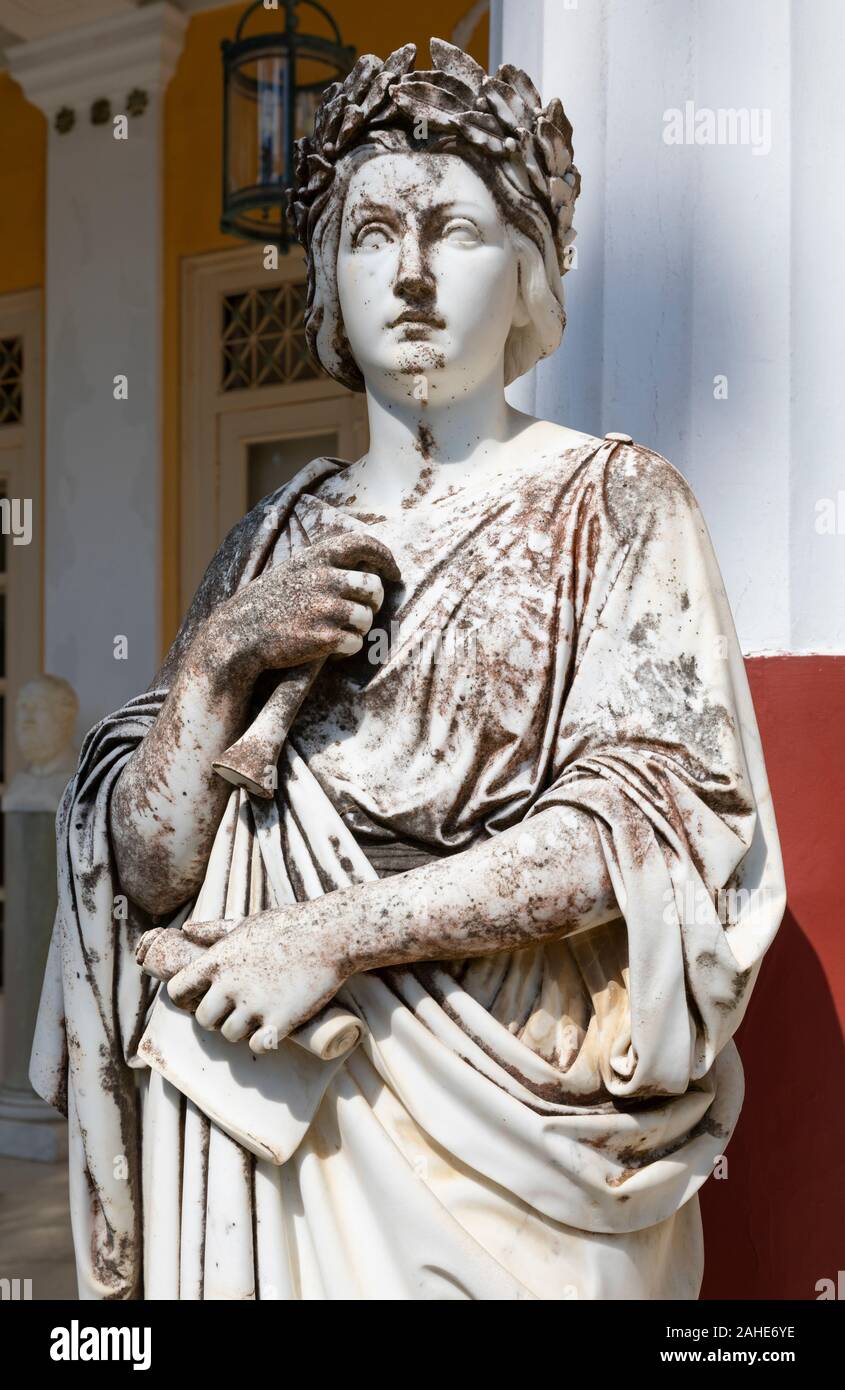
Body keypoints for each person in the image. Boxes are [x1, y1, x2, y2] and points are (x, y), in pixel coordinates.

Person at [31, 38, 785, 1301]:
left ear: (531, 268)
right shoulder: (265, 542)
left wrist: (330, 934)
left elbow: (644, 829)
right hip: (264, 1118)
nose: (415, 274)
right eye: (372, 231)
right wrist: (218, 663)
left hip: (513, 1131)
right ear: (326, 271)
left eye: (457, 230)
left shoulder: (613, 504)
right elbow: (150, 872)